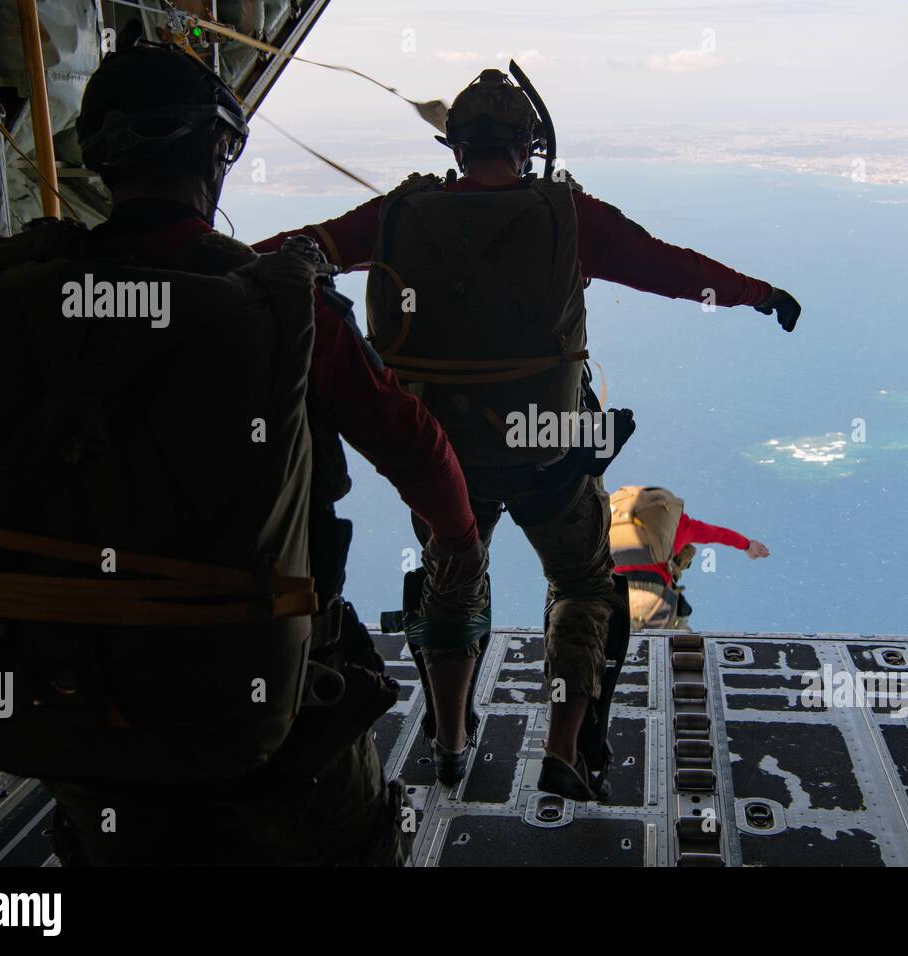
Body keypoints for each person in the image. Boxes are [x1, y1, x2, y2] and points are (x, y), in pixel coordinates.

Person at [0, 29, 485, 865]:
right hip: (268, 726)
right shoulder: (285, 312)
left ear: (102, 159)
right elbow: (419, 450)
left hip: (74, 713)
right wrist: (459, 548)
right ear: (219, 150)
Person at [256, 67, 801, 800]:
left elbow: (288, 256)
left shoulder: (396, 215)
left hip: (437, 459)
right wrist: (758, 294)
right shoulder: (570, 216)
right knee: (582, 586)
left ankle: (450, 742)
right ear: (527, 145)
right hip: (548, 455)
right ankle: (566, 748)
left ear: (458, 146)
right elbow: (670, 268)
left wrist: (185, 274)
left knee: (450, 588)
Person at [609, 486, 769, 631]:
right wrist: (747, 545)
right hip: (653, 595)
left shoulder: (610, 521)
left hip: (611, 590)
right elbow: (717, 534)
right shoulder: (680, 525)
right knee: (674, 643)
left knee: (608, 644)